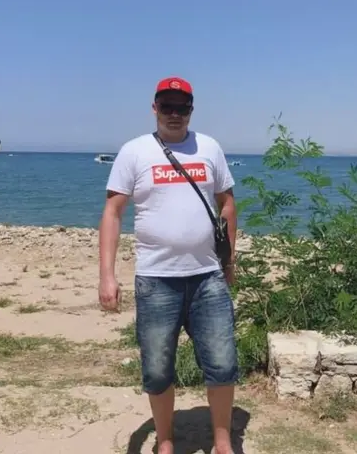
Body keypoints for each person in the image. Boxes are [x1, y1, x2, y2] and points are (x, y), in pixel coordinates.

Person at [98, 77, 238, 454]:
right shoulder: (134, 152)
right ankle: (165, 441)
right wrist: (107, 276)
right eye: (167, 106)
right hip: (156, 280)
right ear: (154, 108)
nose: (175, 114)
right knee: (158, 370)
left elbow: (227, 203)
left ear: (191, 110)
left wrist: (228, 261)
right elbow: (112, 213)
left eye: (182, 107)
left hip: (207, 277)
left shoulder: (209, 148)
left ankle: (223, 441)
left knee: (222, 364)